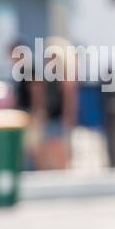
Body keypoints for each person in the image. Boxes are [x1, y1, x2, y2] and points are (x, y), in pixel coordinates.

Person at [29, 37, 78, 170]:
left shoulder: (66, 75)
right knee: (44, 150)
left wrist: (69, 116)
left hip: (59, 118)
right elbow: (42, 98)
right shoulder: (46, 74)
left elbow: (69, 99)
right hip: (49, 117)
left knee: (60, 150)